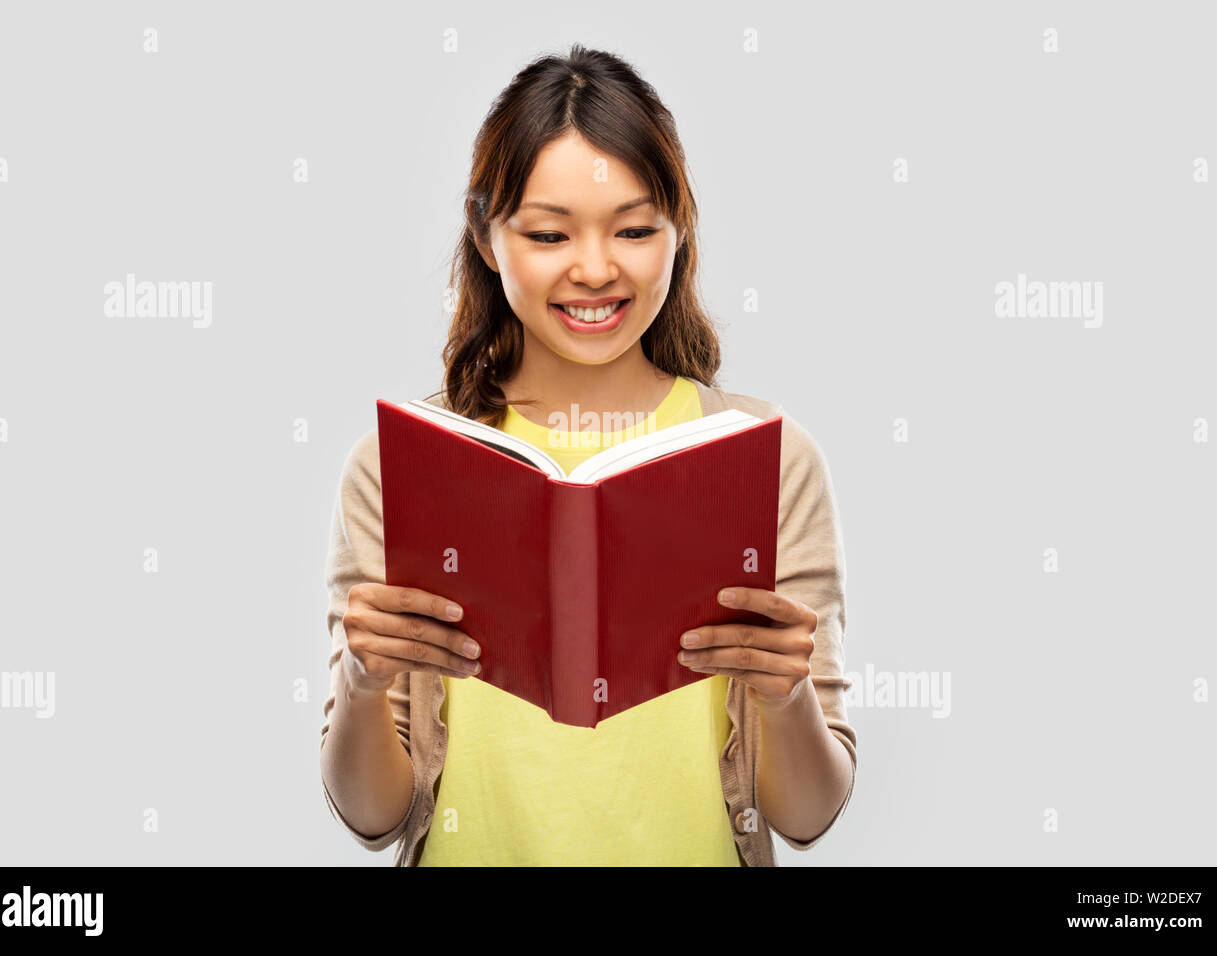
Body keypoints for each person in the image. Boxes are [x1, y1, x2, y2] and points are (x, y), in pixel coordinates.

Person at [319, 44, 855, 866]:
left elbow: (808, 818)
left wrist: (785, 700)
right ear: (488, 238)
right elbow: (371, 818)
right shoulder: (399, 467)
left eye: (636, 229)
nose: (596, 270)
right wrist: (361, 680)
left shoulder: (771, 461)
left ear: (680, 230)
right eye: (547, 234)